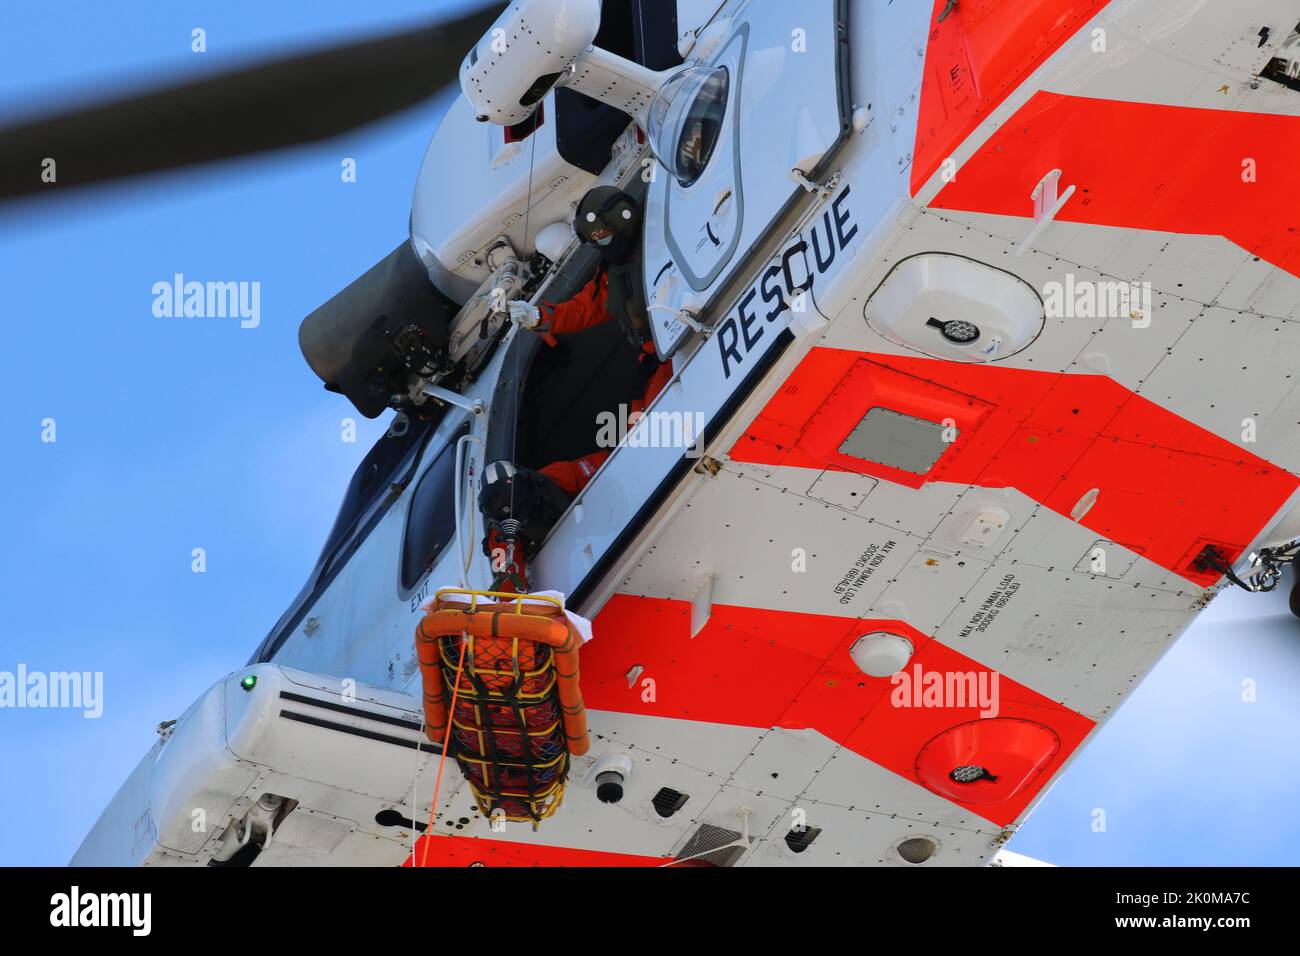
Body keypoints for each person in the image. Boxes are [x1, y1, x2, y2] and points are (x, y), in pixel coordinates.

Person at [505, 186, 672, 494]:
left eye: (603, 236)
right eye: (597, 239)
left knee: (655, 440)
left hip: (679, 343)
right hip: (655, 357)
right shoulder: (614, 272)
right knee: (642, 441)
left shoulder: (666, 230)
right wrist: (538, 317)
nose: (603, 244)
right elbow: (586, 307)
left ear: (622, 219)